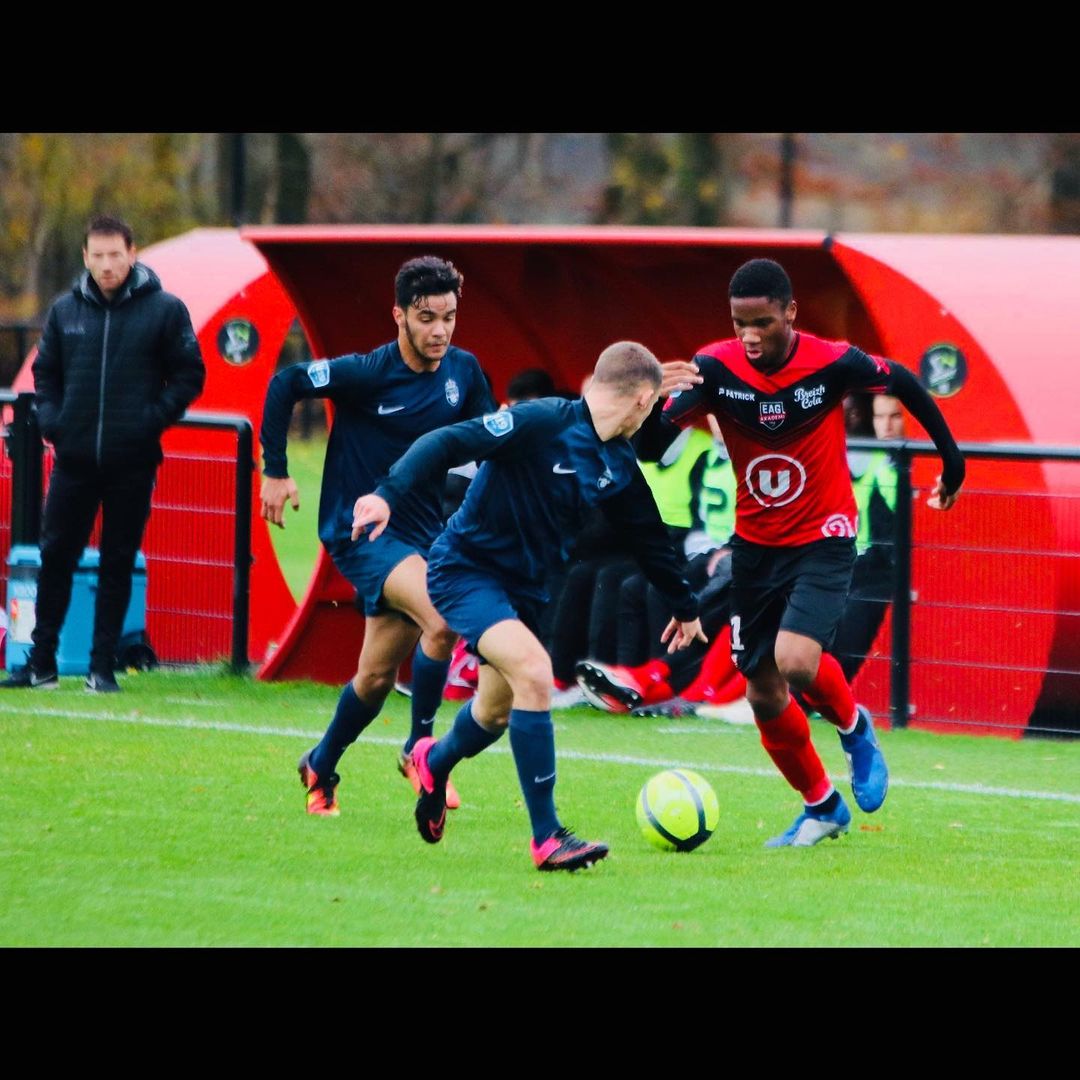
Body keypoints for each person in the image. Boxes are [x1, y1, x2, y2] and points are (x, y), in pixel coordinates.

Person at [637, 258, 965, 847]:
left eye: (762, 322)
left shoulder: (832, 360)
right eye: (740, 324)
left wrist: (953, 461)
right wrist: (658, 398)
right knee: (762, 689)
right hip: (756, 548)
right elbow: (651, 446)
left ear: (790, 312)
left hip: (824, 536)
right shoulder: (713, 368)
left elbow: (905, 383)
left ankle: (853, 724)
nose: (750, 336)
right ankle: (821, 806)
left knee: (794, 661)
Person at [351, 342, 704, 872]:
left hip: (527, 591)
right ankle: (547, 838)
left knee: (494, 711)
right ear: (643, 400)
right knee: (536, 674)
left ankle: (433, 759)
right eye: (655, 407)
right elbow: (446, 440)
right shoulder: (538, 422)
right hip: (466, 571)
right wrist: (386, 494)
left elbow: (648, 537)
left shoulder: (616, 462)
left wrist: (685, 604)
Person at [259, 256, 496, 816]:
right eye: (426, 317)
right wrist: (274, 469)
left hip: (422, 536)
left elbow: (492, 443)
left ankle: (321, 762)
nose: (439, 330)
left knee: (374, 676)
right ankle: (420, 748)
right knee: (442, 616)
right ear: (399, 316)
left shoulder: (465, 374)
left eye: (449, 317)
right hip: (359, 531)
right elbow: (286, 382)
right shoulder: (368, 373)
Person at [1, 214, 205, 693]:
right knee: (55, 558)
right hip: (73, 462)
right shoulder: (65, 311)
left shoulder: (166, 310)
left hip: (132, 462)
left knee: (117, 562)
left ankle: (101, 666)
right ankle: (40, 663)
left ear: (133, 254)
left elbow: (189, 375)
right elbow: (45, 374)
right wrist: (55, 424)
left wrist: (149, 420)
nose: (108, 264)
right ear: (85, 258)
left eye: (116, 254)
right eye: (99, 255)